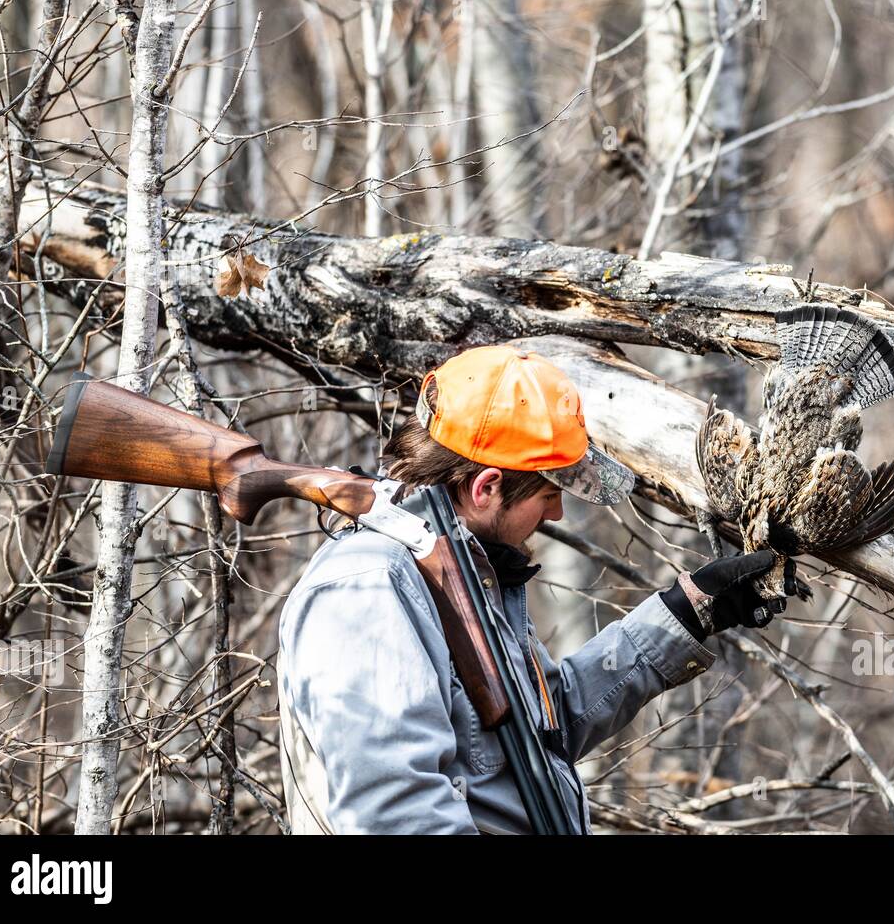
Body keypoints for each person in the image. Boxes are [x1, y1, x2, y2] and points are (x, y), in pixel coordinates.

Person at [276, 344, 790, 833]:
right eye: (548, 493)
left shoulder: (457, 569)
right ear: (486, 488)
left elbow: (540, 730)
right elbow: (394, 813)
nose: (557, 512)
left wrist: (686, 613)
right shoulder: (369, 589)